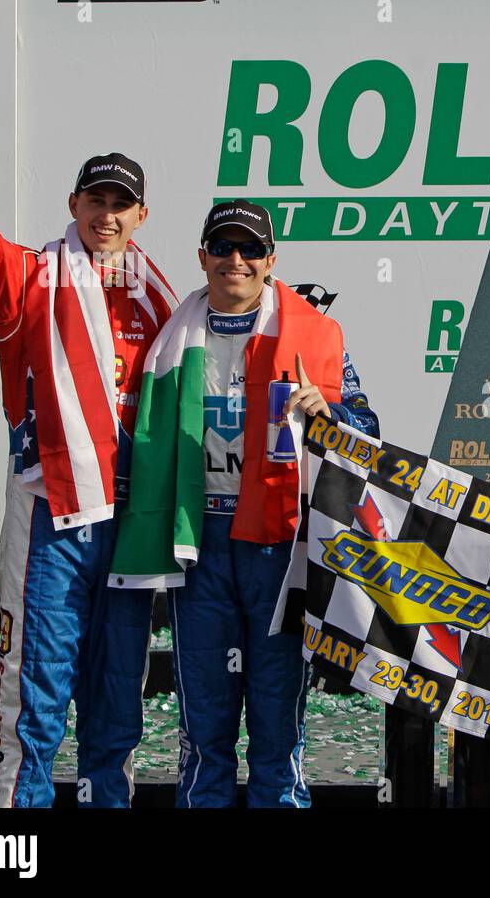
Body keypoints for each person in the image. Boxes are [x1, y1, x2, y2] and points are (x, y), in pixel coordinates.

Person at [0, 50, 179, 807]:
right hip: (51, 515)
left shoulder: (169, 303)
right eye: (94, 200)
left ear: (141, 215)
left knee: (115, 703)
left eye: (120, 202)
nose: (106, 214)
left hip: (131, 524)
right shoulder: (29, 279)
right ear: (73, 204)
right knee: (33, 697)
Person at [110, 201, 378, 807]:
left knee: (277, 715)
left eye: (251, 249)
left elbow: (369, 430)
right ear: (202, 257)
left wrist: (330, 414)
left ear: (271, 259)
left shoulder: (317, 334)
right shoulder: (169, 335)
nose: (237, 260)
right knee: (204, 716)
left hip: (278, 541)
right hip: (197, 536)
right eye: (224, 247)